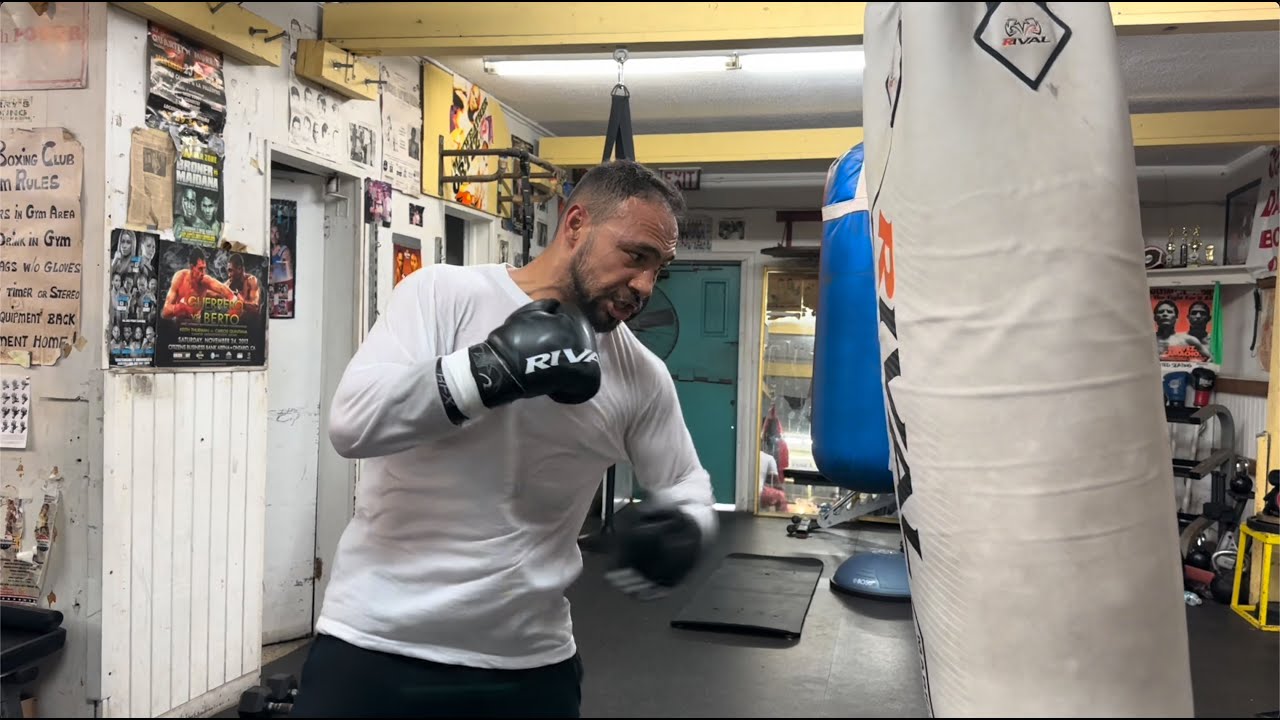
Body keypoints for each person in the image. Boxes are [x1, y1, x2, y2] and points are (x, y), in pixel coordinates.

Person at [291, 160, 717, 718]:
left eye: (659, 267)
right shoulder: (443, 296)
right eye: (635, 255)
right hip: (376, 644)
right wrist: (489, 370)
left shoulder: (639, 373)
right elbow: (352, 423)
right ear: (576, 225)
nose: (645, 285)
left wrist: (688, 523)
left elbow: (685, 480)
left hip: (529, 668)